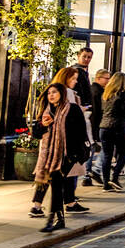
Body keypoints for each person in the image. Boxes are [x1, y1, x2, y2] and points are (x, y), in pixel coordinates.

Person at [29, 82, 89, 233]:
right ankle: (58, 219)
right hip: (49, 155)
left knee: (56, 184)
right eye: (49, 93)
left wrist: (76, 154)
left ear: (62, 94)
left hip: (66, 155)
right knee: (56, 186)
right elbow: (36, 134)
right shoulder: (46, 111)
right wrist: (43, 125)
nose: (51, 95)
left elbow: (81, 132)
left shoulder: (73, 109)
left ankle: (52, 220)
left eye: (54, 92)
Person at [99, 72, 125, 191]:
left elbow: (103, 109)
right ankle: (114, 177)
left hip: (104, 127)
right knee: (123, 152)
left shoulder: (106, 93)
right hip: (118, 126)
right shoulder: (123, 93)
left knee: (107, 155)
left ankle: (105, 184)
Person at [84, 68, 110, 186]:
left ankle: (87, 176)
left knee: (91, 151)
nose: (108, 81)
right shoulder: (97, 92)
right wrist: (96, 130)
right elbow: (96, 112)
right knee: (100, 149)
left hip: (92, 125)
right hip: (95, 125)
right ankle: (93, 172)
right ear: (98, 78)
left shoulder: (93, 90)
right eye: (106, 78)